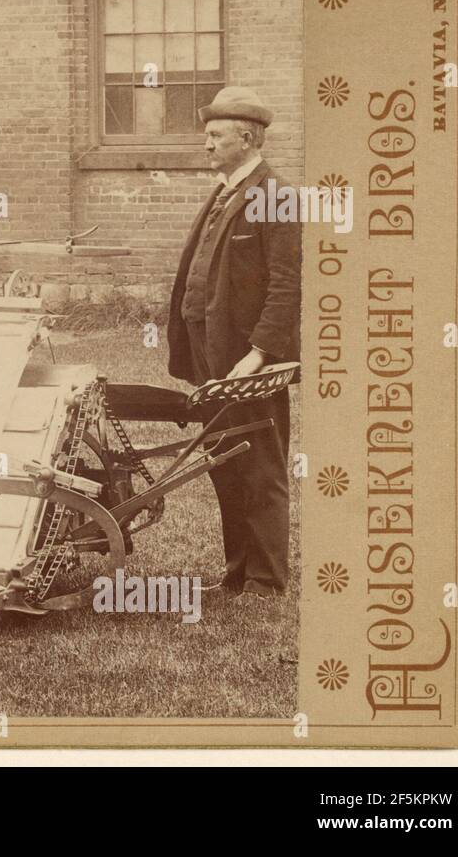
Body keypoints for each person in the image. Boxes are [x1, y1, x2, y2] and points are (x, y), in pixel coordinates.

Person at [165, 86, 301, 599]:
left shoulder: (277, 196)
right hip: (208, 350)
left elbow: (288, 285)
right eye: (207, 136)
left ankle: (266, 579)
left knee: (260, 464)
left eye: (216, 136)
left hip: (247, 360)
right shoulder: (224, 192)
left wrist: (259, 355)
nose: (207, 146)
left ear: (247, 138)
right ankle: (238, 570)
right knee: (224, 460)